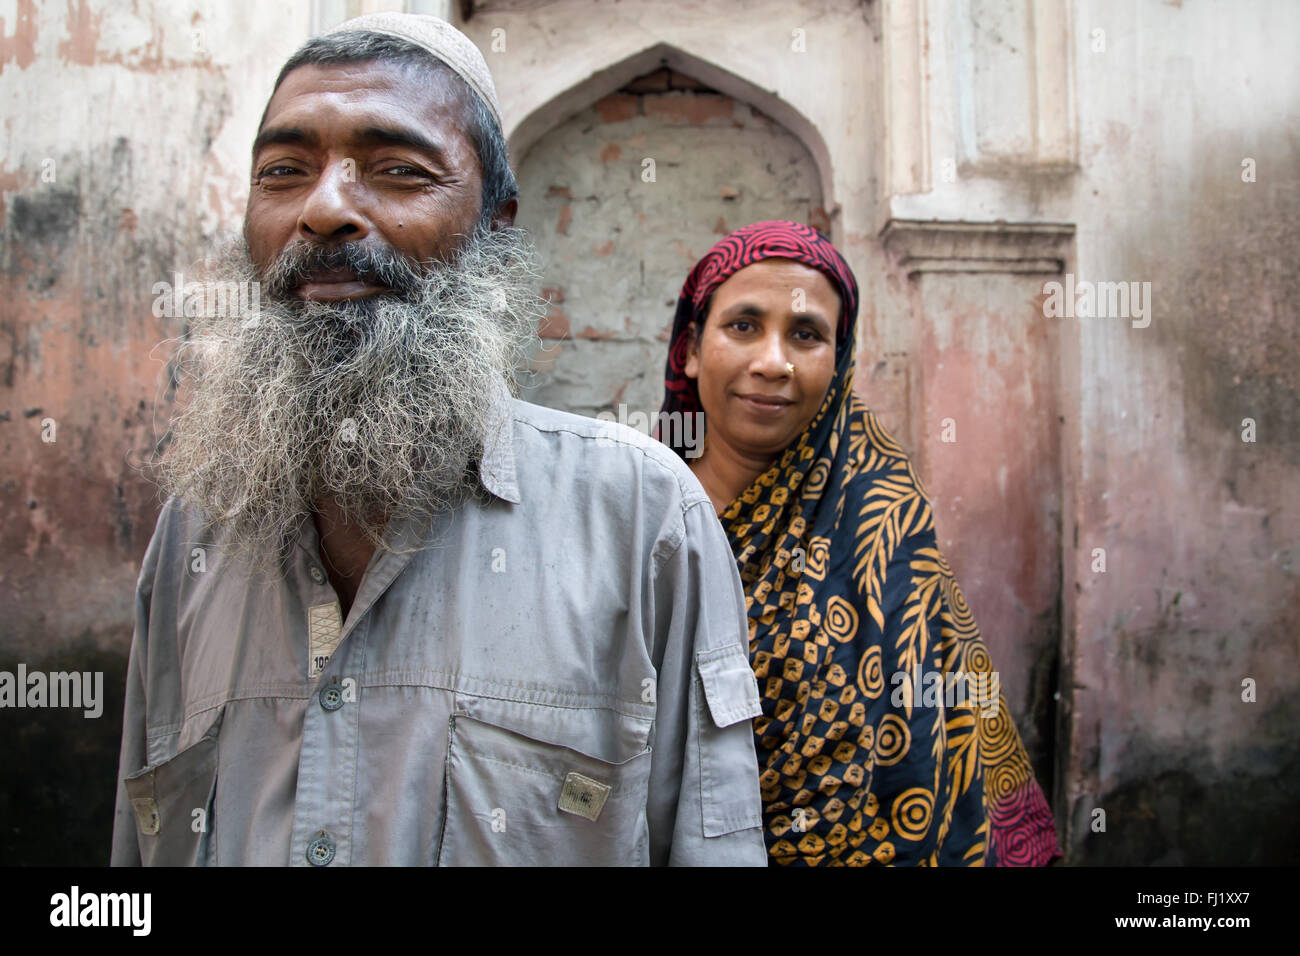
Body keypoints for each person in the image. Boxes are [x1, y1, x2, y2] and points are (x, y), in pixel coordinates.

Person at [111, 12, 767, 867]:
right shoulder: (196, 532)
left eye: (397, 171)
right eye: (284, 171)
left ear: (495, 225)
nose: (326, 208)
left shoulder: (643, 520)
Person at [656, 220, 1062, 865]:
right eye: (742, 326)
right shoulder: (638, 512)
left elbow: (939, 726)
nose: (772, 361)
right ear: (691, 349)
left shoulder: (882, 516)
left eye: (806, 334)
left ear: (839, 361)